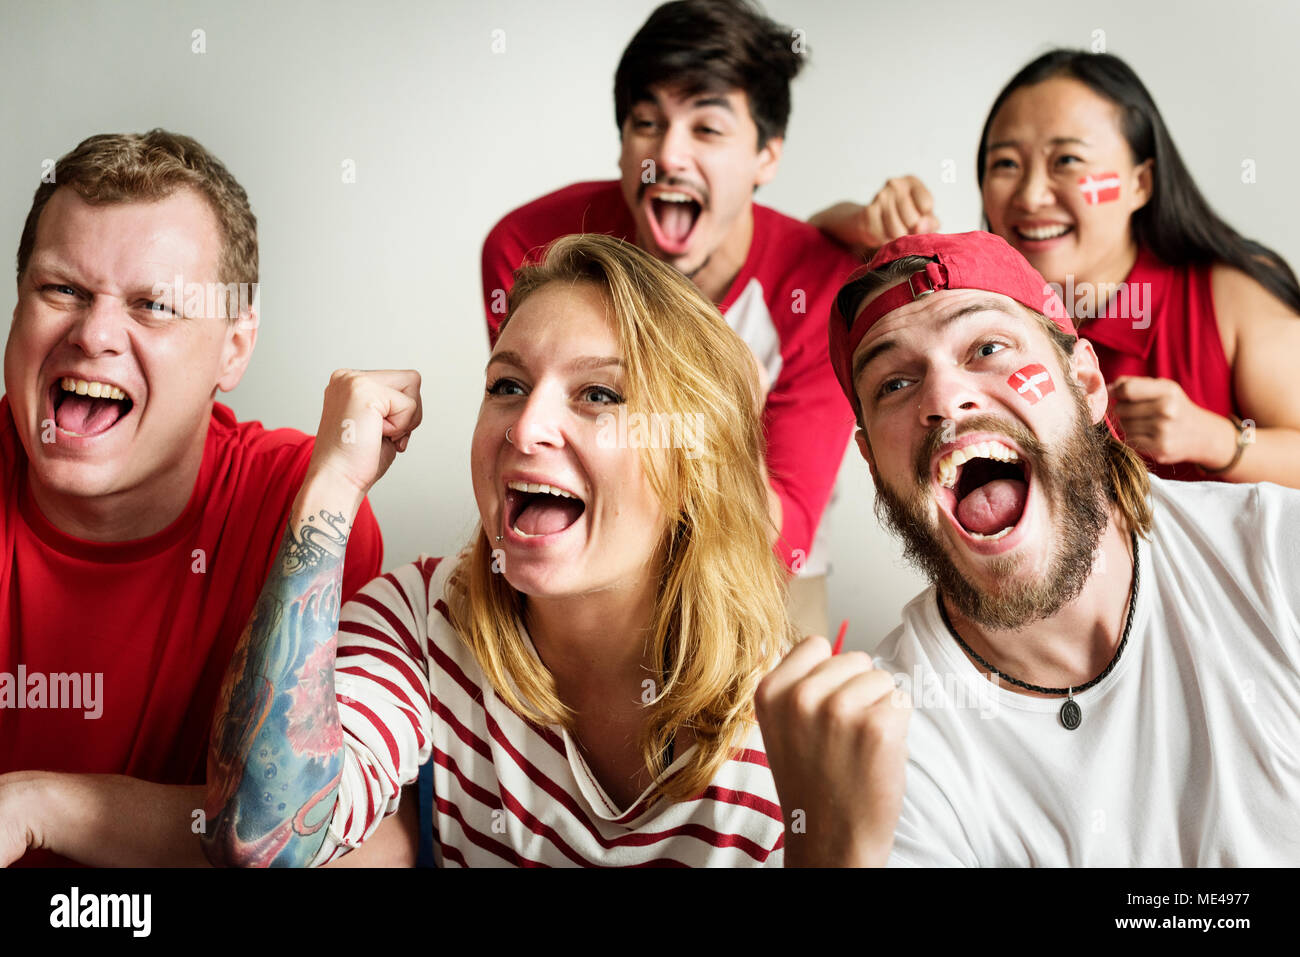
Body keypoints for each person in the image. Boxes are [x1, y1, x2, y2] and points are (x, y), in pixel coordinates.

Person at [201, 234, 794, 868]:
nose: (525, 426)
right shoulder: (424, 619)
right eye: (507, 385)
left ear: (692, 465)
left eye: (599, 394)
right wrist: (333, 485)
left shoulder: (783, 730)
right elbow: (264, 840)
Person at [761, 229, 1300, 866]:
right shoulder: (892, 743)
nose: (943, 400)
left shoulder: (1274, 554)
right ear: (874, 464)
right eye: (895, 385)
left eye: (987, 347)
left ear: (1087, 384)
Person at [0, 130, 384, 866]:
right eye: (62, 290)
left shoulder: (300, 506)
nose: (95, 334)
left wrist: (39, 804)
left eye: (152, 305)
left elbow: (315, 834)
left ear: (233, 349)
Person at [482, 0, 863, 636]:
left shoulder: (819, 285)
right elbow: (536, 444)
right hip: (588, 572)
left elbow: (780, 538)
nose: (669, 155)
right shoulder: (530, 245)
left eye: (707, 129)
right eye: (646, 123)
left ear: (766, 156)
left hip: (763, 585)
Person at [814, 50, 1300, 486]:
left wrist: (1221, 441)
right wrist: (868, 221)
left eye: (1066, 160)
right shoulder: (982, 298)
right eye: (1005, 164)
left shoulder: (1227, 293)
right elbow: (807, 253)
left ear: (1141, 183)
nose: (1029, 196)